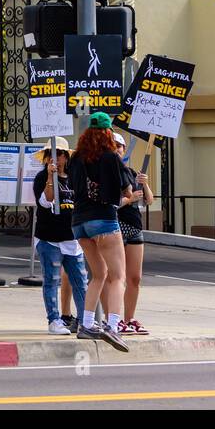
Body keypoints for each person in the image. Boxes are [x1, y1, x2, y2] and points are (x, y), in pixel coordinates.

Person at [67, 112, 130, 352]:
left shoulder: (76, 159)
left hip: (79, 222)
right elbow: (125, 189)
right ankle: (112, 326)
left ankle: (86, 324)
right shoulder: (110, 157)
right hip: (103, 220)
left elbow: (72, 185)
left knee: (98, 275)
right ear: (107, 133)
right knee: (117, 276)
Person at [32, 138, 87, 335]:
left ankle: (85, 320)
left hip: (72, 239)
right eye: (51, 155)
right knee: (52, 279)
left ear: (66, 157)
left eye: (60, 154)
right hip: (49, 238)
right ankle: (54, 320)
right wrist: (50, 178)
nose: (56, 158)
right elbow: (46, 202)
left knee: (80, 280)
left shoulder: (74, 177)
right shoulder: (41, 178)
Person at [114, 131, 153, 336]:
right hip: (116, 227)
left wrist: (145, 184)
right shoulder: (107, 174)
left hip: (134, 227)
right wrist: (129, 199)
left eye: (119, 146)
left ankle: (129, 318)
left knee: (134, 277)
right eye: (113, 146)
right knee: (116, 277)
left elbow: (149, 200)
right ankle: (115, 318)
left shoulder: (131, 172)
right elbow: (109, 204)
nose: (117, 149)